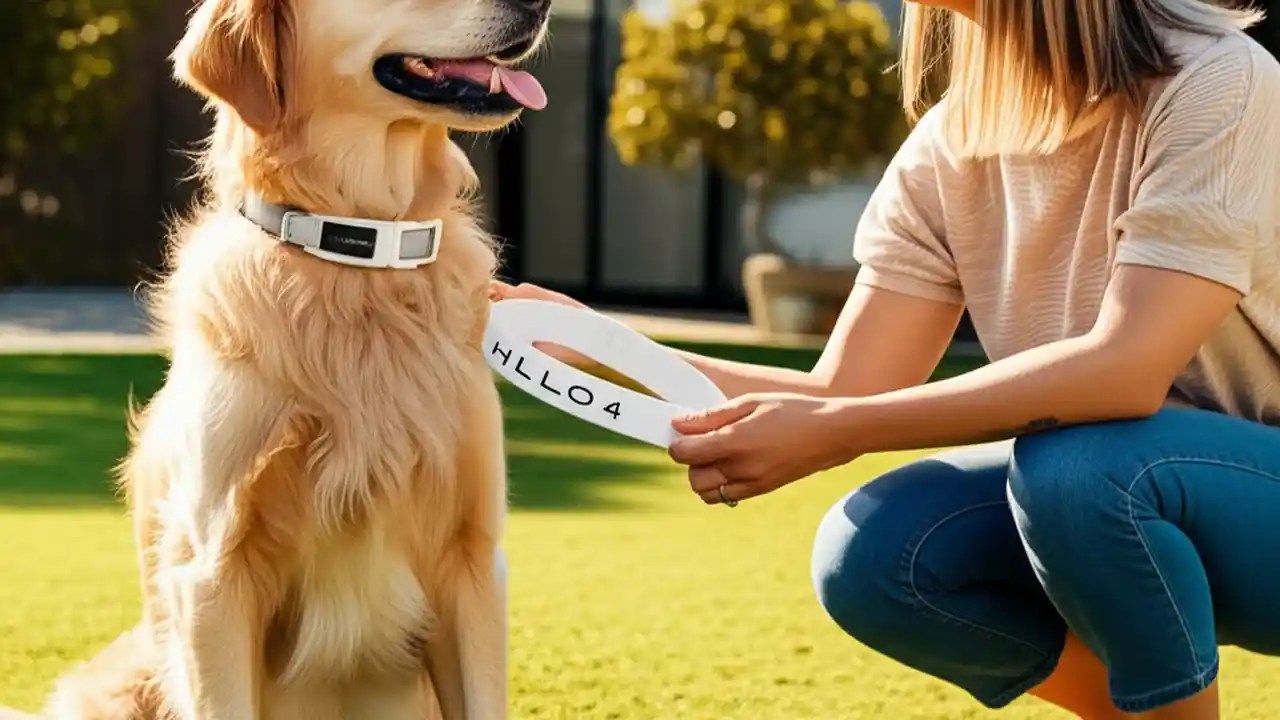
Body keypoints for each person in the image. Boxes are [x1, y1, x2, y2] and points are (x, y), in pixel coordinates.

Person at [493, 0, 1280, 716]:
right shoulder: (955, 138)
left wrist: (846, 428)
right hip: (1127, 494)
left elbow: (1125, 368)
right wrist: (606, 351)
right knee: (878, 553)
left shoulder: (1218, 81)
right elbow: (845, 388)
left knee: (1078, 469)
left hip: (1234, 496)